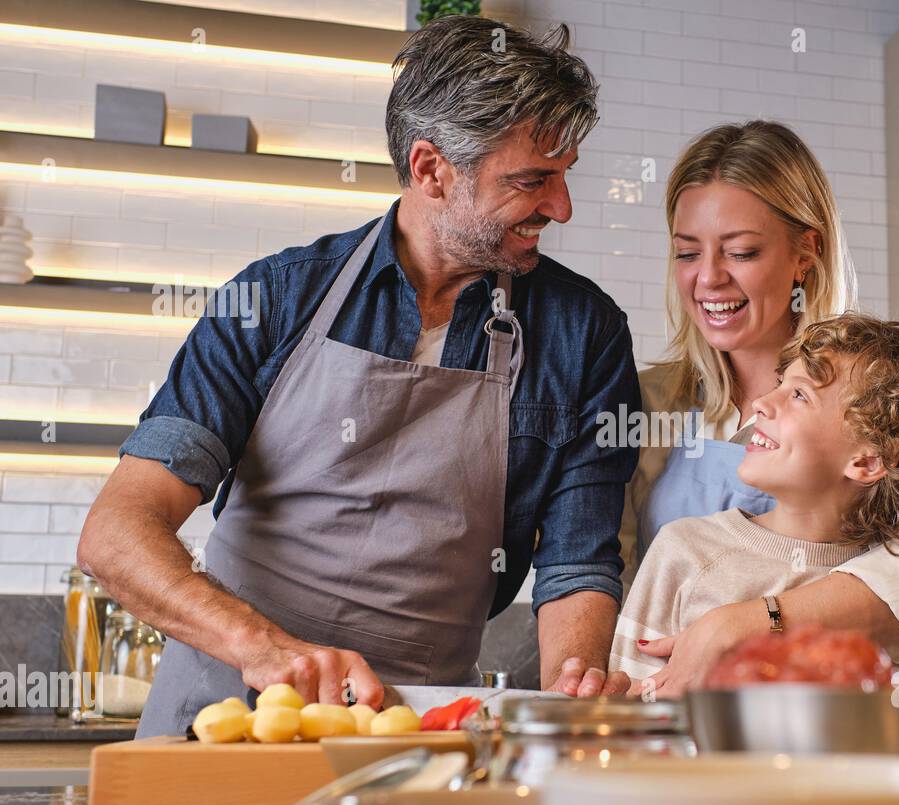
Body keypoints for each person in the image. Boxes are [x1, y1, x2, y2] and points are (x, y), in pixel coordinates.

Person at [77, 16, 638, 737]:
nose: (560, 208)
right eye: (532, 181)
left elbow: (576, 561)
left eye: (564, 178)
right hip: (228, 721)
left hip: (425, 733)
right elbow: (116, 533)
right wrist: (267, 650)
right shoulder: (275, 300)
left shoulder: (583, 333)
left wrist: (574, 691)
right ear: (432, 168)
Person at [618, 121, 899, 694]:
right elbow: (617, 577)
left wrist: (738, 626)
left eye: (741, 251)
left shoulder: (875, 399)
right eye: (688, 253)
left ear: (805, 252)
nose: (709, 278)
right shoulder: (645, 403)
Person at [611, 312, 899, 685]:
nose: (762, 404)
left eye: (799, 395)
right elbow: (628, 708)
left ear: (868, 460)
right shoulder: (683, 551)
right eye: (780, 384)